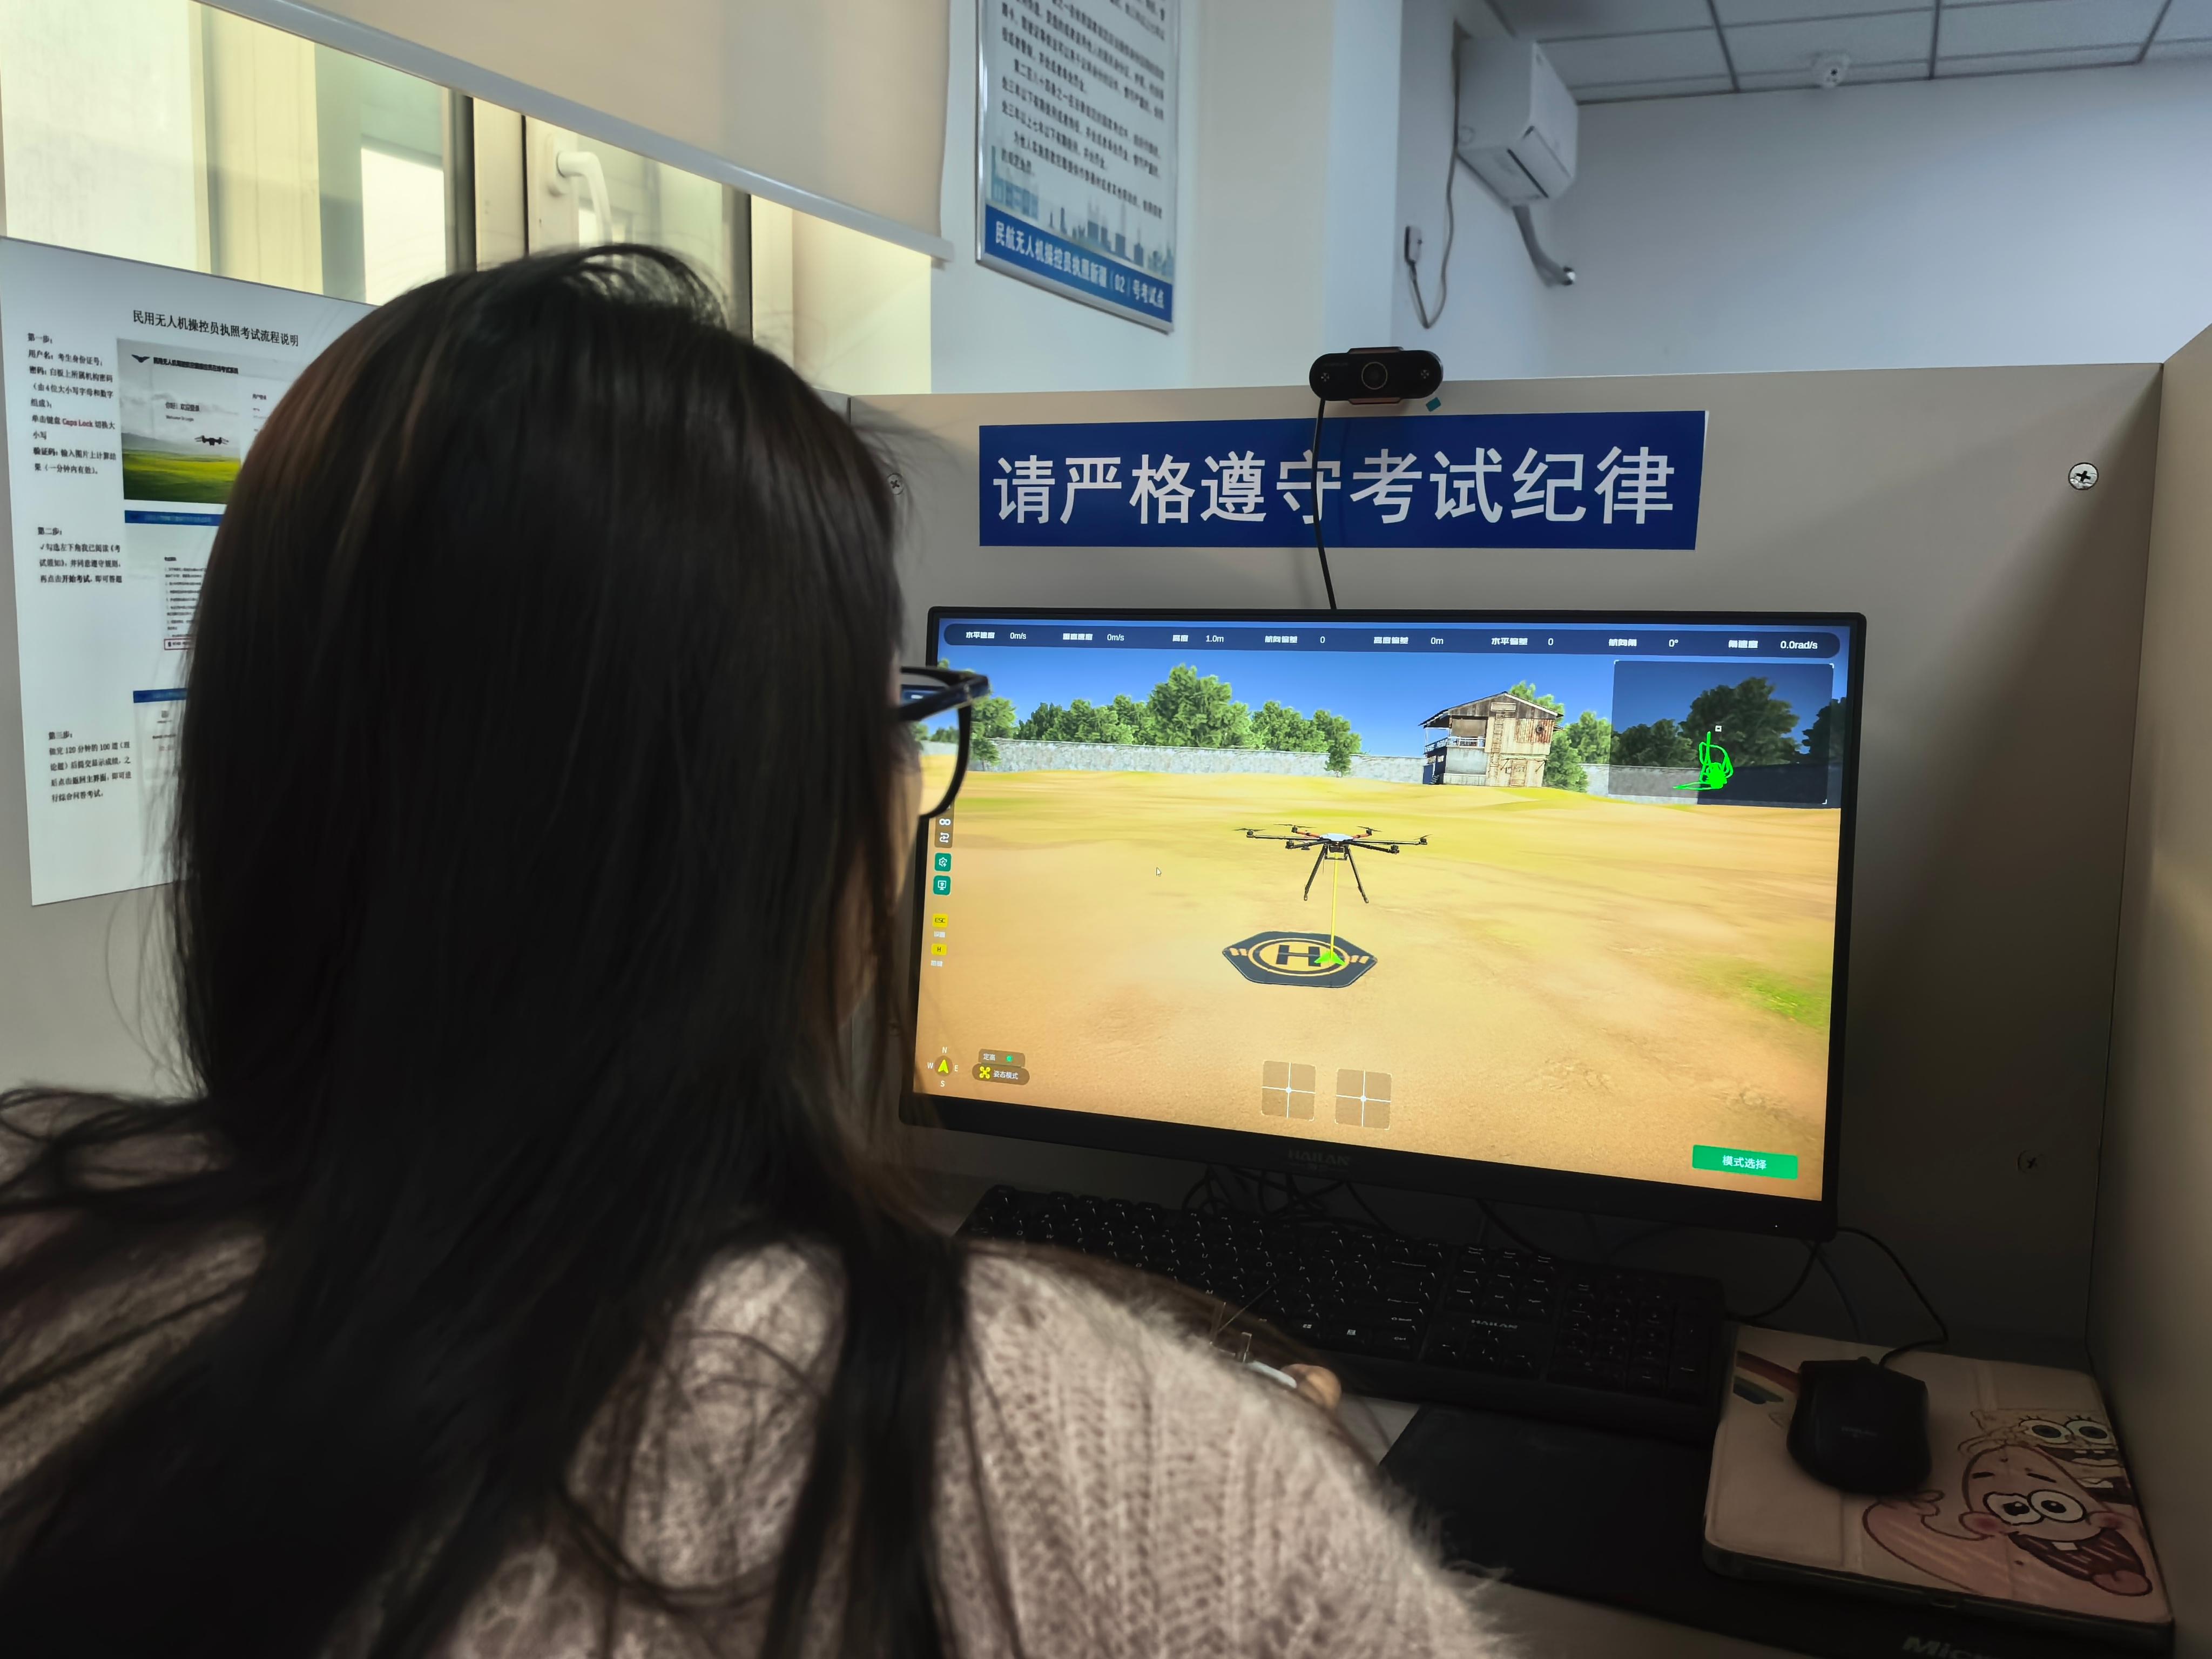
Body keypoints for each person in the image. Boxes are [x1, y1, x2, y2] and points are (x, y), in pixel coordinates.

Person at [0, 248, 1500, 1658]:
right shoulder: (1155, 1487)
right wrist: (1263, 1456)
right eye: (895, 716)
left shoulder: (42, 1235)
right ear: (776, 816)